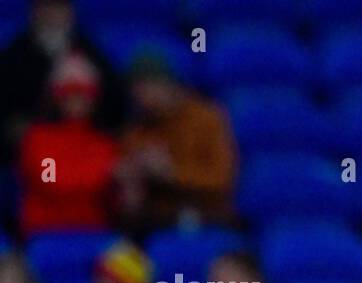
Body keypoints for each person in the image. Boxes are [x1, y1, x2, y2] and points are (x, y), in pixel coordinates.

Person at [117, 50, 237, 233]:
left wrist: (171, 173)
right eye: (136, 90)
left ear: (169, 85)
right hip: (157, 225)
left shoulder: (206, 119)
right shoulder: (137, 131)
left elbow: (221, 179)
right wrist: (131, 187)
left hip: (208, 221)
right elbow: (132, 208)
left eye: (147, 87)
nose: (142, 97)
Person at [0, 0, 126, 161]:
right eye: (47, 6)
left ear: (71, 11)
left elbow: (114, 104)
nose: (53, 14)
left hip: (82, 146)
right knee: (48, 177)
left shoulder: (91, 53)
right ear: (34, 11)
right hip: (32, 151)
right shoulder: (12, 56)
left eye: (59, 7)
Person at [16, 52, 120, 236]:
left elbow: (114, 199)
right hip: (46, 233)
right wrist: (103, 174)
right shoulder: (38, 138)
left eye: (84, 92)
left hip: (97, 233)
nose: (76, 99)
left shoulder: (104, 141)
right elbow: (50, 181)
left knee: (135, 261)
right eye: (68, 91)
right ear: (55, 95)